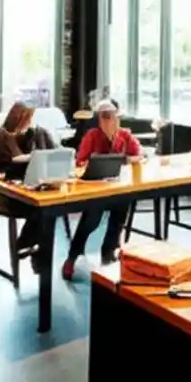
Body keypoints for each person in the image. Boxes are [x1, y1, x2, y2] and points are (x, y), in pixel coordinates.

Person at [63, 99, 142, 280]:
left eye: (113, 118)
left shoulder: (125, 135)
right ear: (100, 120)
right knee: (90, 222)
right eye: (105, 118)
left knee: (120, 215)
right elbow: (80, 162)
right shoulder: (92, 136)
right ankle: (72, 257)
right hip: (95, 188)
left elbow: (138, 154)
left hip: (117, 186)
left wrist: (125, 159)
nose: (110, 122)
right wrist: (92, 161)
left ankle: (108, 253)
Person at [0, 102, 56, 264]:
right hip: (6, 193)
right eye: (28, 119)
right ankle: (29, 247)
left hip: (27, 188)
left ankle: (30, 246)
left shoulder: (29, 135)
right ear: (18, 119)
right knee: (41, 209)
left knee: (47, 207)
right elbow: (3, 169)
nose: (30, 122)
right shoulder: (1, 138)